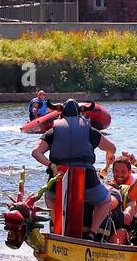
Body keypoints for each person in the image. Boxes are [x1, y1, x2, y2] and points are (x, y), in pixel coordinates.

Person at [30, 99, 117, 240]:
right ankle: (92, 232)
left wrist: (51, 165)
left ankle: (60, 228)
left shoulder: (52, 131)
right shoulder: (90, 130)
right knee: (105, 200)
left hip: (58, 179)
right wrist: (109, 157)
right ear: (80, 114)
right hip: (87, 181)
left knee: (49, 197)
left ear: (61, 114)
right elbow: (112, 148)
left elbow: (35, 152)